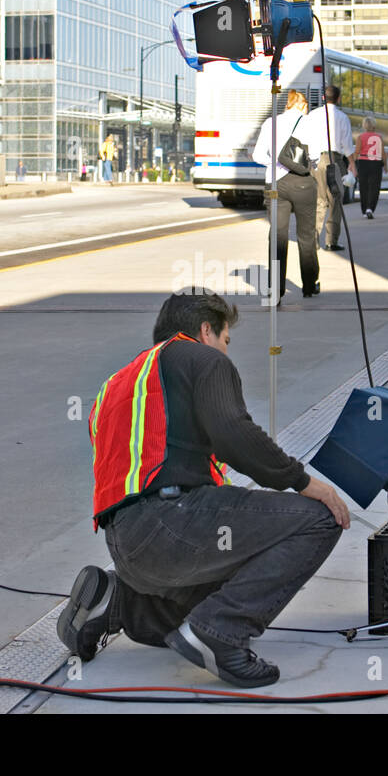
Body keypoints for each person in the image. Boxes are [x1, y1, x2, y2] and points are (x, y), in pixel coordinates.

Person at [57, 290, 350, 688]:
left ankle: (119, 603)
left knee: (209, 596)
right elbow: (234, 435)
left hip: (125, 544)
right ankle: (221, 633)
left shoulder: (118, 383)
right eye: (226, 341)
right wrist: (305, 482)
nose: (226, 353)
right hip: (172, 521)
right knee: (318, 520)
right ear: (206, 329)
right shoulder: (202, 358)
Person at [250, 89, 319, 299]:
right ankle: (309, 285)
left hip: (275, 184)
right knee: (306, 236)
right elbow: (315, 154)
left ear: (287, 104)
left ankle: (276, 288)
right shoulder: (309, 123)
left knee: (277, 236)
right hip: (303, 183)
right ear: (302, 104)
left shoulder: (270, 123)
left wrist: (278, 162)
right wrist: (298, 162)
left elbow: (257, 155)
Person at [300, 84, 355, 250]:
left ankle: (313, 240)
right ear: (338, 98)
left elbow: (304, 139)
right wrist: (352, 162)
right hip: (335, 159)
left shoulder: (312, 116)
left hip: (316, 161)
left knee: (318, 200)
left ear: (323, 98)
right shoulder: (342, 117)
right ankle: (331, 241)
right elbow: (347, 144)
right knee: (335, 201)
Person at [353, 116, 384, 218]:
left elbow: (357, 151)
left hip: (363, 163)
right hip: (375, 163)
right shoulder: (379, 137)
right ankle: (370, 208)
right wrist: (386, 165)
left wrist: (351, 164)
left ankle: (364, 210)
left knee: (364, 187)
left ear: (364, 125)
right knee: (374, 187)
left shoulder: (360, 137)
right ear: (374, 125)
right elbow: (382, 152)